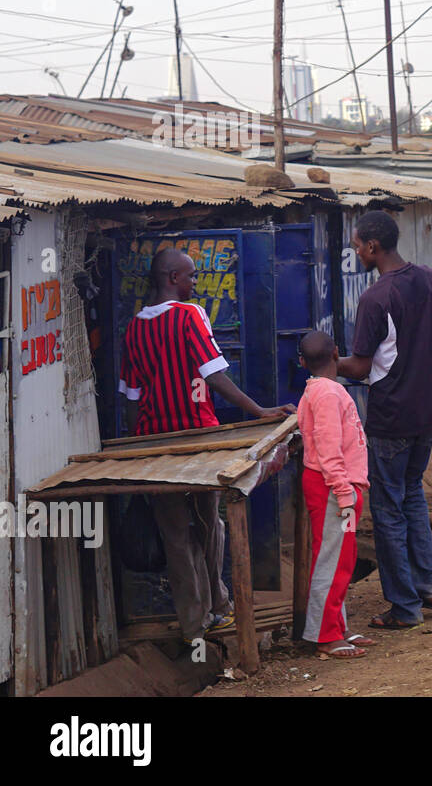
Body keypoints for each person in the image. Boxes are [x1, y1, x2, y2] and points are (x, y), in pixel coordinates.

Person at [119, 248, 295, 643]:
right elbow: (214, 373)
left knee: (176, 536)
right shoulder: (190, 315)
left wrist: (139, 449)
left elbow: (131, 395)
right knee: (210, 525)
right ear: (173, 277)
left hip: (156, 444)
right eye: (191, 276)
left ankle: (193, 624)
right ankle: (218, 606)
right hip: (200, 439)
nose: (195, 282)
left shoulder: (133, 328)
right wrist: (259, 410)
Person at [337, 210, 432, 630]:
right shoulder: (430, 280)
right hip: (430, 412)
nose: (355, 252)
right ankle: (430, 585)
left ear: (372, 247)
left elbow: (360, 367)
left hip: (392, 415)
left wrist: (327, 363)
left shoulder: (376, 298)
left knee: (387, 510)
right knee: (410, 496)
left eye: (356, 246)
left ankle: (405, 607)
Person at [297, 331, 373, 659]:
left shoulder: (321, 391)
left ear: (302, 362)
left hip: (334, 485)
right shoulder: (328, 393)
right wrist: (344, 493)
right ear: (337, 354)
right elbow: (329, 450)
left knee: (340, 559)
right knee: (332, 562)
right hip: (333, 488)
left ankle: (335, 627)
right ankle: (325, 636)